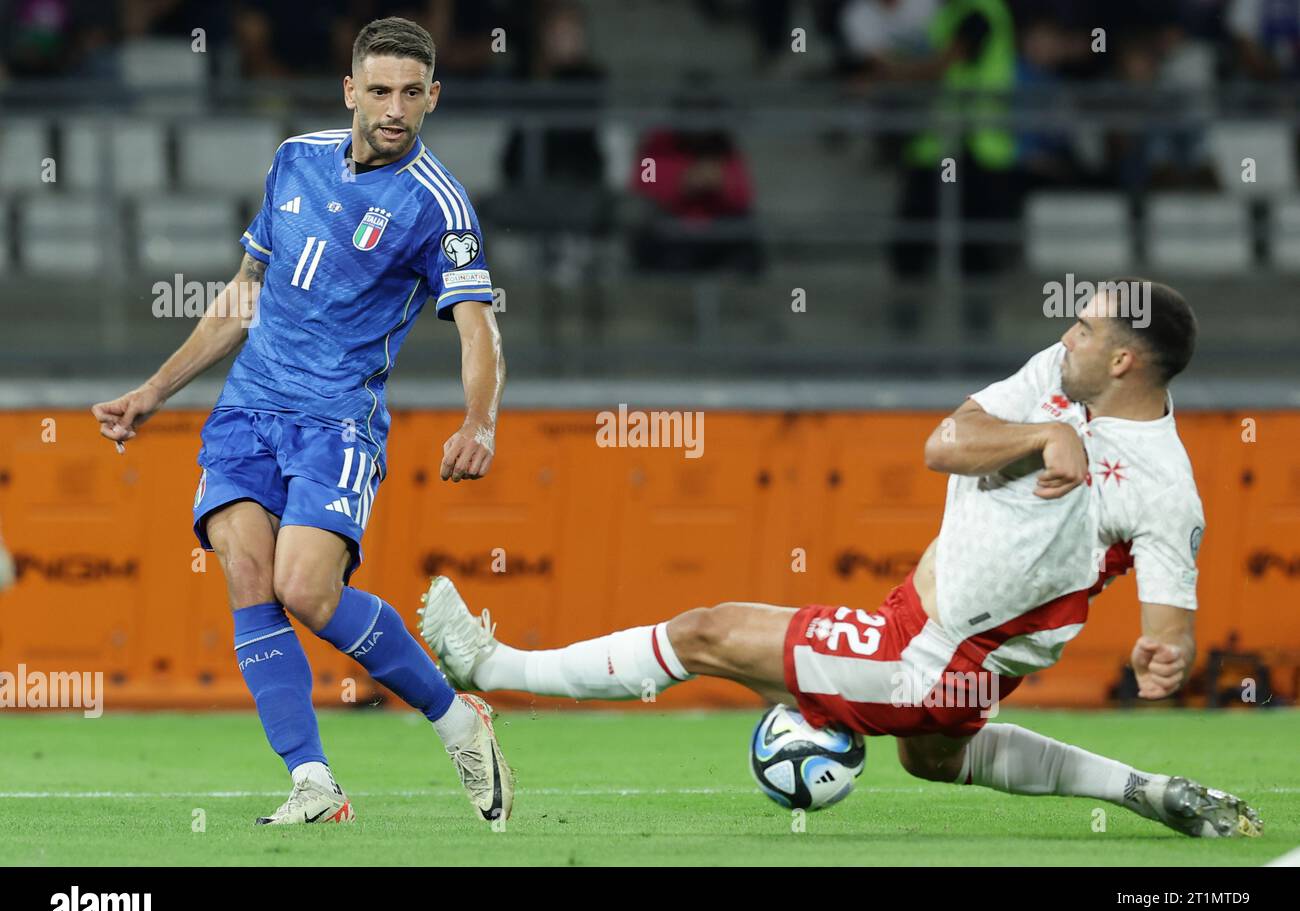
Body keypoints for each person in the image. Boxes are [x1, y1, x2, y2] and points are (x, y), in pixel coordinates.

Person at [420, 280, 1262, 839]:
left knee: (709, 632)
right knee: (933, 757)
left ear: (1123, 361)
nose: (1064, 333)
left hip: (931, 660)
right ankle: (1149, 793)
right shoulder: (1060, 381)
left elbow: (1169, 631)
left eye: (1083, 328)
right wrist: (1046, 435)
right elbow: (946, 443)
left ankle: (490, 664)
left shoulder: (1163, 488)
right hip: (929, 637)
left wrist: (1165, 653)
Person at [90, 17, 513, 825]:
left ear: (433, 97)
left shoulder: (440, 206)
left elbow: (478, 329)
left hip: (336, 422)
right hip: (247, 410)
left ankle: (458, 719)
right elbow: (244, 294)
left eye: (412, 93)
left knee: (306, 591)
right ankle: (313, 783)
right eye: (380, 90)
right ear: (350, 90)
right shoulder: (295, 158)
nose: (394, 107)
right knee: (249, 578)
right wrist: (154, 390)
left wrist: (480, 420)